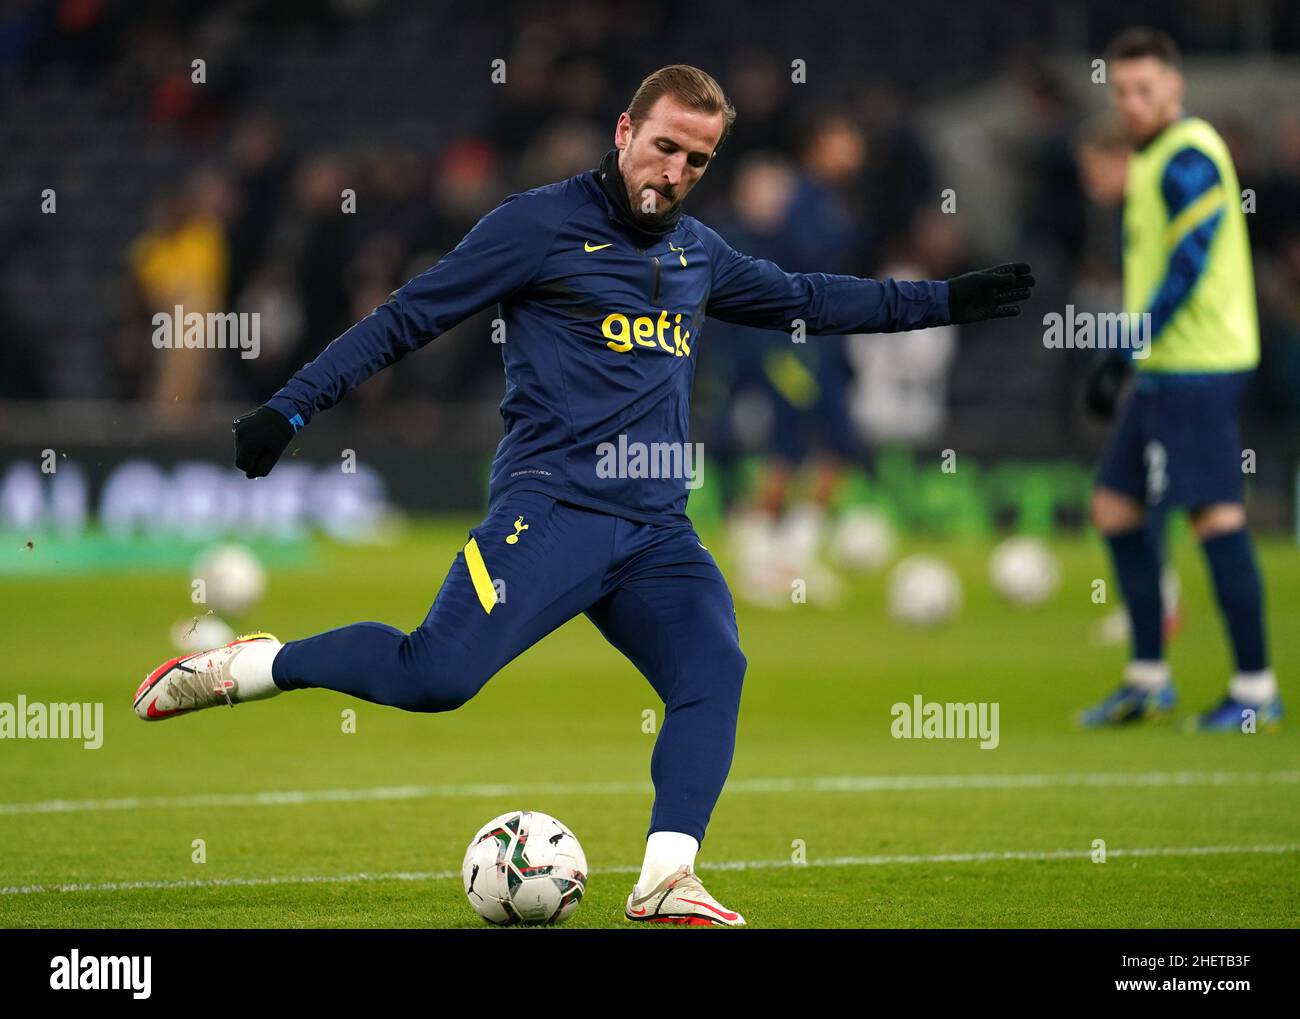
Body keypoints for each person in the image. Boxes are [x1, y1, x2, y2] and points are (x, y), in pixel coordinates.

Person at [133, 64, 1034, 924]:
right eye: (665, 147)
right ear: (624, 132)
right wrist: (289, 410)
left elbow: (809, 296)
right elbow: (409, 316)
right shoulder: (536, 226)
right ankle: (252, 666)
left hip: (656, 531)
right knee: (435, 677)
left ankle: (665, 875)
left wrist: (944, 300)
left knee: (713, 669)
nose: (675, 172)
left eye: (697, 160)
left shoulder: (697, 253)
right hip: (551, 507)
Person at [1079, 29, 1280, 731]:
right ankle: (1148, 676)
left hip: (1199, 363)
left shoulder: (1188, 156)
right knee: (1115, 505)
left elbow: (1190, 265)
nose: (1132, 103)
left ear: (1176, 86)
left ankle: (1255, 688)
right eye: (1122, 92)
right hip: (1166, 363)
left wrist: (1124, 347)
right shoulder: (1153, 157)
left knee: (1214, 514)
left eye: (1145, 89)